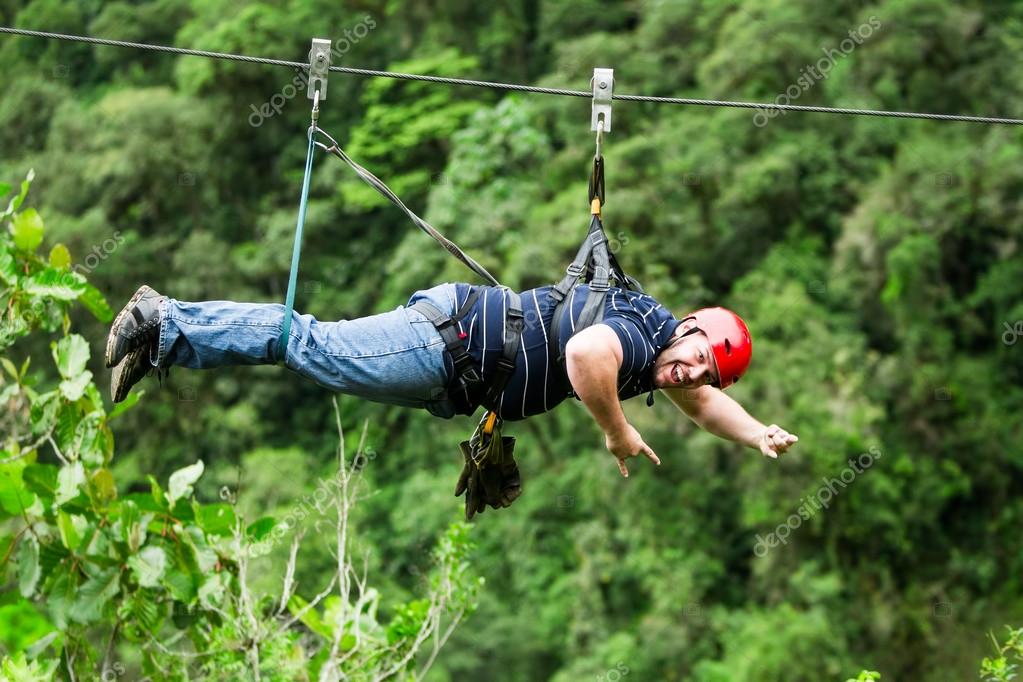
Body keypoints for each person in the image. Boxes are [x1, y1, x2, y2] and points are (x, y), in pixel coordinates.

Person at [106, 282, 799, 478]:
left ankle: (166, 340)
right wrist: (617, 432)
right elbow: (587, 356)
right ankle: (163, 321)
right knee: (311, 347)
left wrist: (755, 432)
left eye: (704, 370)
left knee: (313, 356)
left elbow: (702, 405)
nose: (690, 370)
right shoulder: (639, 334)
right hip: (449, 344)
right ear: (688, 326)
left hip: (454, 368)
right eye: (696, 353)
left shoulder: (663, 351)